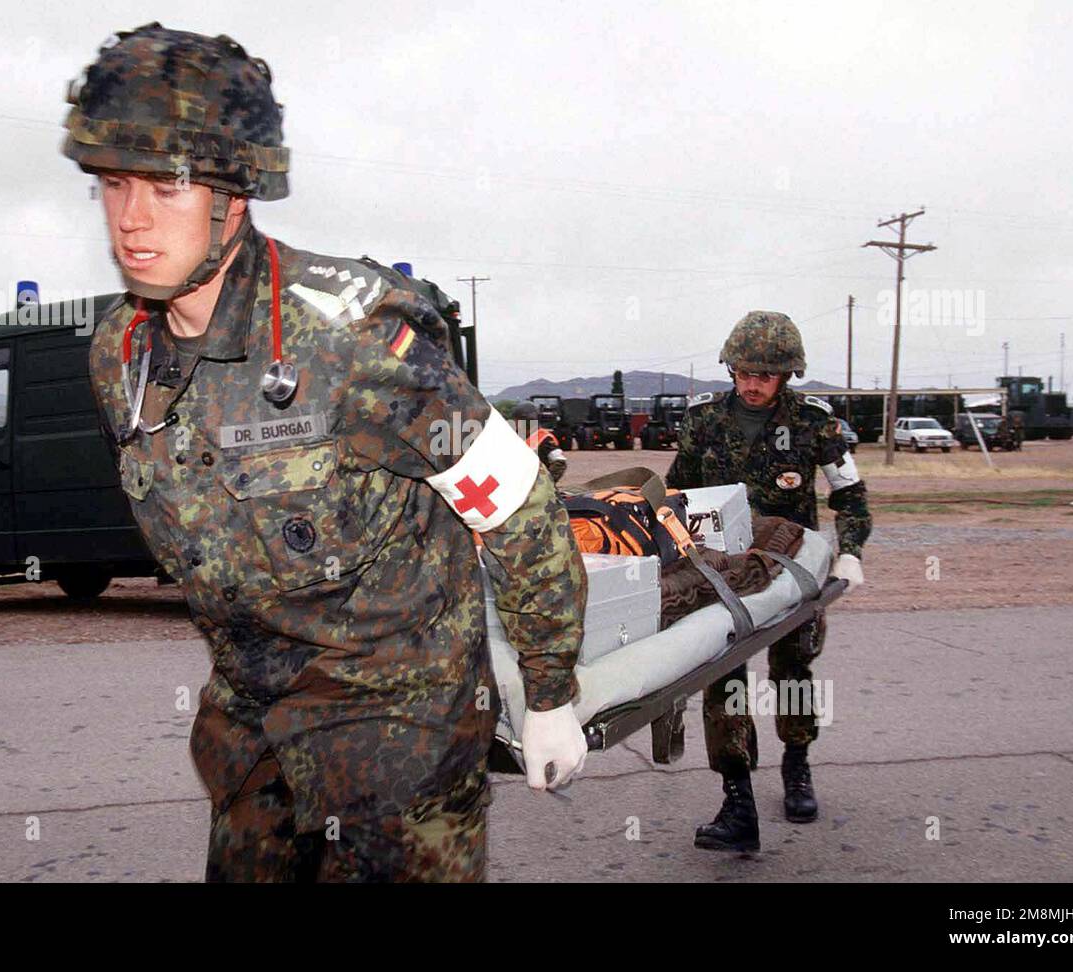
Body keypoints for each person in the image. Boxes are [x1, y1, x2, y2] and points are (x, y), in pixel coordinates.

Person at [61, 22, 589, 882]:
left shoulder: (353, 338)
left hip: (400, 738)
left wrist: (551, 692)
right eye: (114, 185)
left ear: (234, 195)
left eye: (167, 188)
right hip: (253, 735)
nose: (132, 219)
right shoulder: (119, 353)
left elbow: (515, 501)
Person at [666, 311, 870, 852]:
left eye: (765, 374)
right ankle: (738, 799)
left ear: (788, 375)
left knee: (793, 672)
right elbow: (677, 492)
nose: (751, 384)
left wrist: (848, 553)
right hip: (723, 573)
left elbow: (849, 494)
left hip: (791, 572)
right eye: (742, 371)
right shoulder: (702, 421)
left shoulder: (813, 423)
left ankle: (797, 765)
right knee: (722, 678)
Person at [511, 400, 568, 483]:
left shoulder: (545, 438)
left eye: (517, 421)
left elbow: (559, 462)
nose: (515, 423)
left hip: (535, 487)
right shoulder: (518, 437)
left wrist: (546, 483)